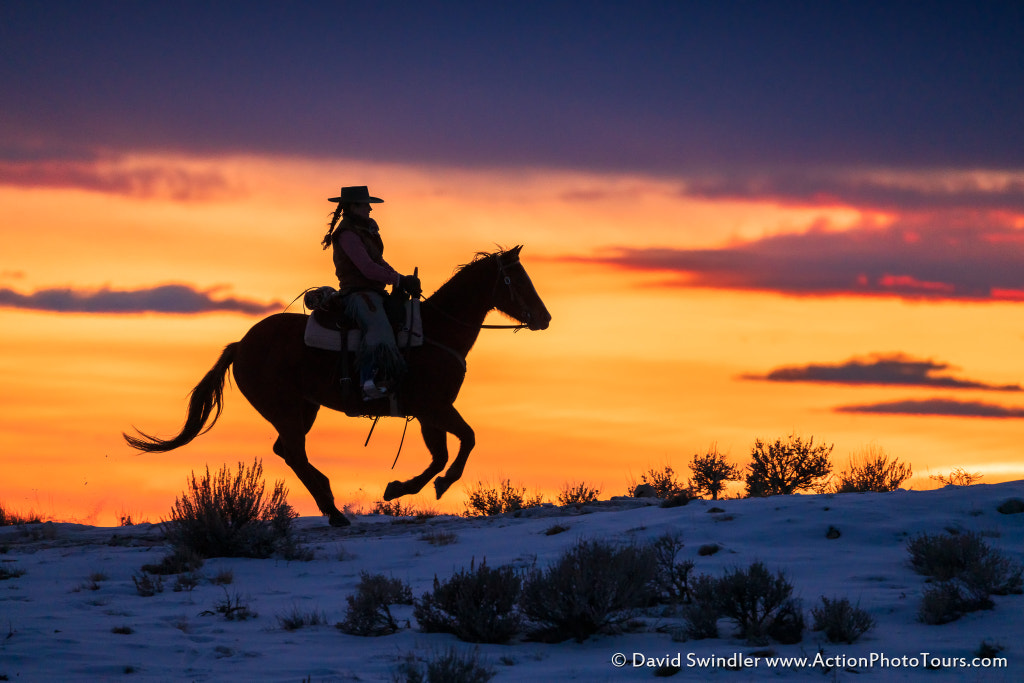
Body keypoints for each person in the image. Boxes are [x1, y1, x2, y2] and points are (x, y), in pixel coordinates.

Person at [321, 186, 420, 400]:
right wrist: (399, 279)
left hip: (373, 291)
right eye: (365, 204)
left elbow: (378, 262)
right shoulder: (347, 233)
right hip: (356, 295)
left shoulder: (365, 230)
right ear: (353, 206)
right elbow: (366, 267)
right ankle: (370, 381)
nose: (369, 208)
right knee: (378, 325)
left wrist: (400, 278)